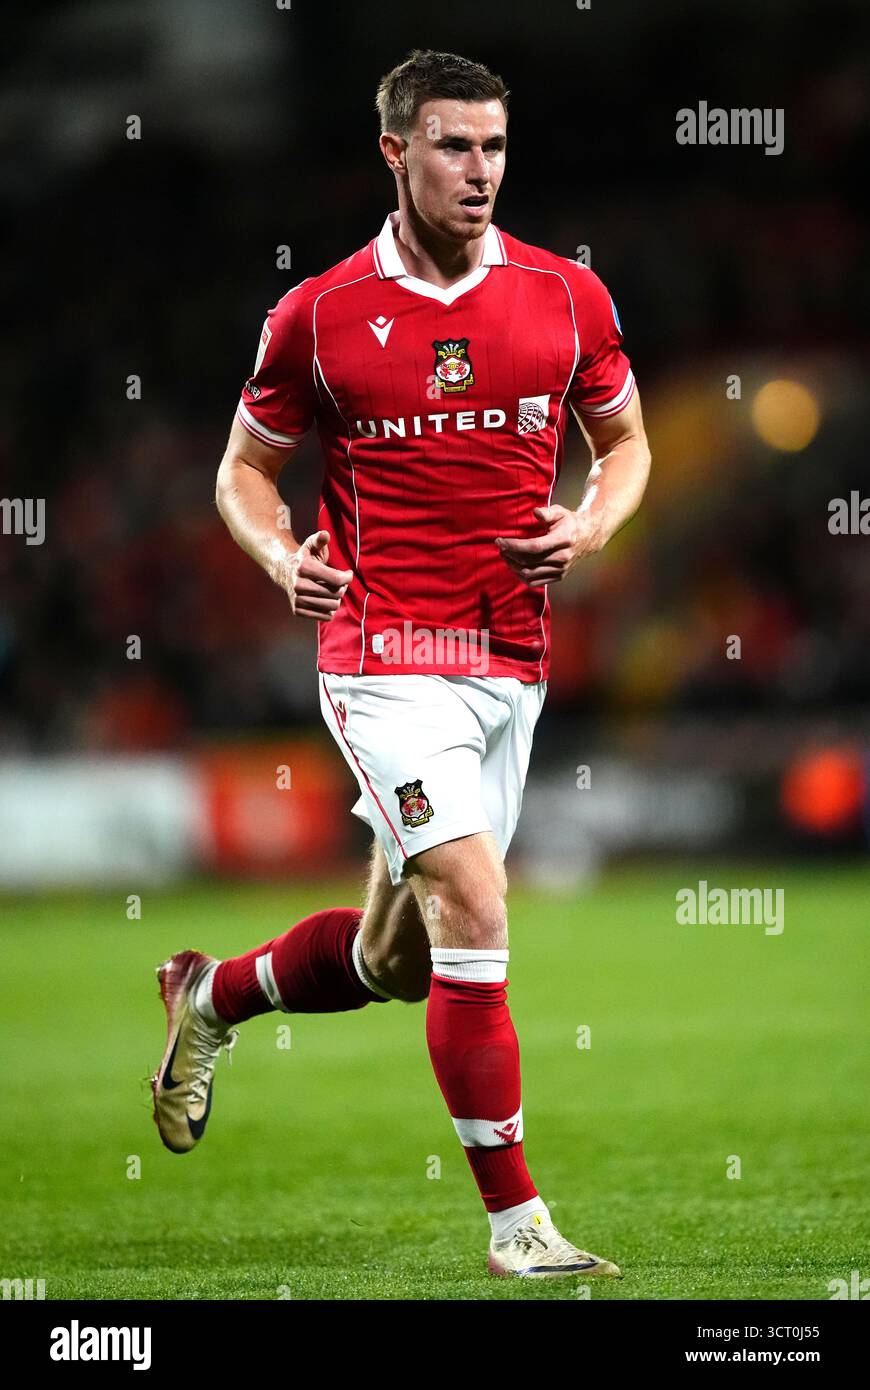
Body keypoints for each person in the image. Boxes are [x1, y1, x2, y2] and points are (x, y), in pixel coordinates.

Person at [151, 47, 650, 1280]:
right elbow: (242, 472)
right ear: (395, 152)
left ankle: (210, 996)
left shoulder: (566, 296)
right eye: (452, 146)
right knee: (478, 906)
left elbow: (628, 443)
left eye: (492, 146)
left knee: (398, 962)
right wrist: (279, 561)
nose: (479, 170)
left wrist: (588, 522)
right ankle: (517, 1221)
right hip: (381, 653)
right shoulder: (318, 315)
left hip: (509, 656)